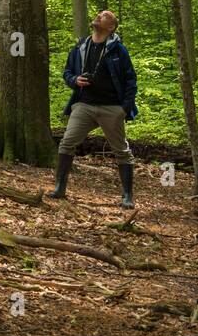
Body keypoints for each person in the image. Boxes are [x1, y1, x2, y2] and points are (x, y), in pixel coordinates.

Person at [50, 10, 139, 208]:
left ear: (111, 27)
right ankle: (59, 188)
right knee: (67, 142)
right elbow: (67, 72)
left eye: (105, 15)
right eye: (99, 14)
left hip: (112, 108)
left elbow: (130, 79)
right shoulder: (81, 46)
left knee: (122, 151)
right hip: (84, 105)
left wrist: (124, 108)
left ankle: (127, 197)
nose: (100, 15)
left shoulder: (118, 50)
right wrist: (75, 80)